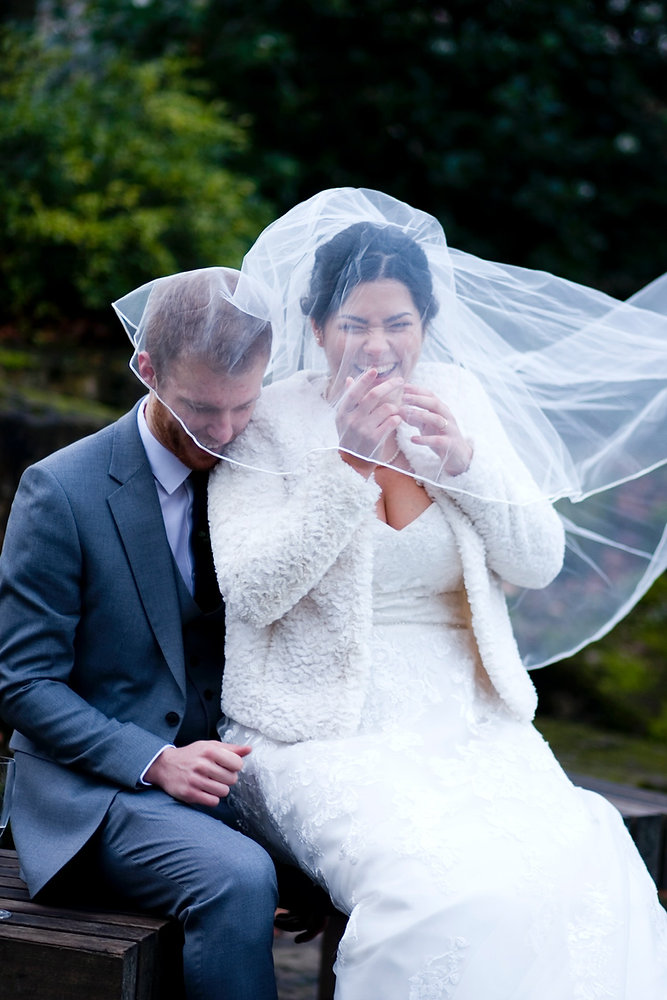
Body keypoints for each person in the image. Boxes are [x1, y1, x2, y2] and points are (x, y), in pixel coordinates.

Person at [204, 190, 667, 998]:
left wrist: (468, 464)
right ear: (316, 328)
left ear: (425, 324)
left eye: (398, 324)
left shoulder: (456, 398)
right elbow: (253, 590)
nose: (377, 347)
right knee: (438, 895)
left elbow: (537, 561)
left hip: (467, 719)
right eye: (355, 324)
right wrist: (345, 466)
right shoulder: (270, 420)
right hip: (320, 727)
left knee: (585, 865)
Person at [0, 268, 283, 1000]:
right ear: (146, 370)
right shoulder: (60, 490)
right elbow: (23, 683)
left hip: (228, 774)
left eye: (242, 407)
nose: (221, 435)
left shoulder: (255, 467)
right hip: (92, 792)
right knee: (240, 876)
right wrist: (156, 761)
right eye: (198, 410)